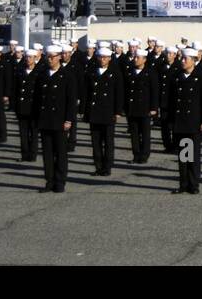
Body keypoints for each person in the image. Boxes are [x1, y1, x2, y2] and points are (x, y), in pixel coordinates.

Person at [168, 48, 202, 194]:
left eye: (185, 59)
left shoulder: (201, 77)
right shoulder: (177, 77)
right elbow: (172, 100)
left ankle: (194, 185)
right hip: (180, 122)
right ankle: (183, 184)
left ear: (193, 60)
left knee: (193, 156)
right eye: (182, 58)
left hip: (194, 122)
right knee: (183, 156)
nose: (182, 61)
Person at [35, 45, 78, 193]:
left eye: (52, 56)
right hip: (45, 119)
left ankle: (60, 182)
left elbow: (71, 100)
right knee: (47, 154)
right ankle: (49, 181)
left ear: (59, 56)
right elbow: (37, 99)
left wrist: (69, 120)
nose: (50, 59)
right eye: (48, 56)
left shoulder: (67, 76)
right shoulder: (42, 75)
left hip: (60, 120)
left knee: (60, 153)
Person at [84, 47, 124, 176]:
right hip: (94, 112)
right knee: (95, 143)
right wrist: (85, 111)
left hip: (108, 112)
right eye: (101, 57)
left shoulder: (115, 73)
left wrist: (117, 112)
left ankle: (107, 167)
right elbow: (87, 94)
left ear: (109, 59)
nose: (103, 60)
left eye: (105, 57)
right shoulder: (92, 72)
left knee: (108, 142)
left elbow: (119, 94)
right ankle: (98, 166)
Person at [123, 48, 158, 164]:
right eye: (134, 57)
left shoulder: (150, 73)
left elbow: (154, 92)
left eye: (138, 58)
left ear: (144, 60)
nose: (135, 59)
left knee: (145, 133)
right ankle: (136, 155)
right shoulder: (130, 71)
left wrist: (153, 108)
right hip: (132, 108)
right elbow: (126, 90)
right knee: (134, 134)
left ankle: (144, 155)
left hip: (145, 108)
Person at [13, 48, 43, 163]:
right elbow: (15, 90)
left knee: (34, 133)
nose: (28, 59)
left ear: (35, 59)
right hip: (22, 107)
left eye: (30, 57)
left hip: (34, 108)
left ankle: (33, 155)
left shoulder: (40, 72)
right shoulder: (20, 72)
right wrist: (15, 106)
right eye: (26, 57)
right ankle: (25, 154)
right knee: (23, 133)